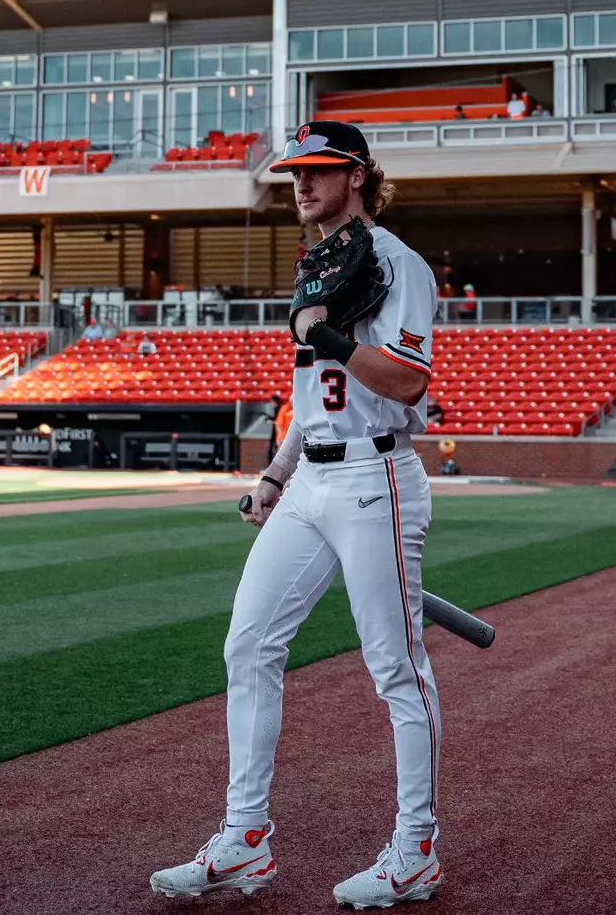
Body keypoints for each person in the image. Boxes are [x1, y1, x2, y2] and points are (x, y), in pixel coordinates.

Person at [152, 120, 446, 909]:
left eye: (318, 171)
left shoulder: (397, 263)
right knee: (248, 645)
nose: (302, 185)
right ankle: (245, 839)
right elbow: (312, 398)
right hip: (313, 484)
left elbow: (409, 383)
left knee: (396, 670)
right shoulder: (317, 265)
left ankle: (415, 848)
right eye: (294, 174)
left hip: (378, 477)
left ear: (356, 176)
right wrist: (276, 476)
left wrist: (328, 335)